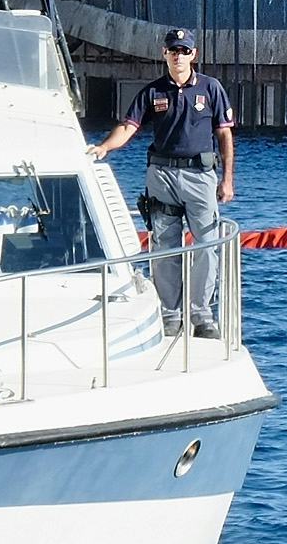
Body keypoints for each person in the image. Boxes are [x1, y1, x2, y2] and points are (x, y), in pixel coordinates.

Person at [89, 27, 235, 334]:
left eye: (184, 51)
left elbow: (224, 134)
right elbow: (128, 128)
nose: (178, 56)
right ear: (164, 54)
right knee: (165, 245)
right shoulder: (152, 92)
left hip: (200, 176)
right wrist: (104, 146)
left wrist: (227, 180)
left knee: (207, 245)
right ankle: (171, 315)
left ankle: (201, 315)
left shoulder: (210, 88)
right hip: (162, 176)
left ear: (193, 55)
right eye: (173, 50)